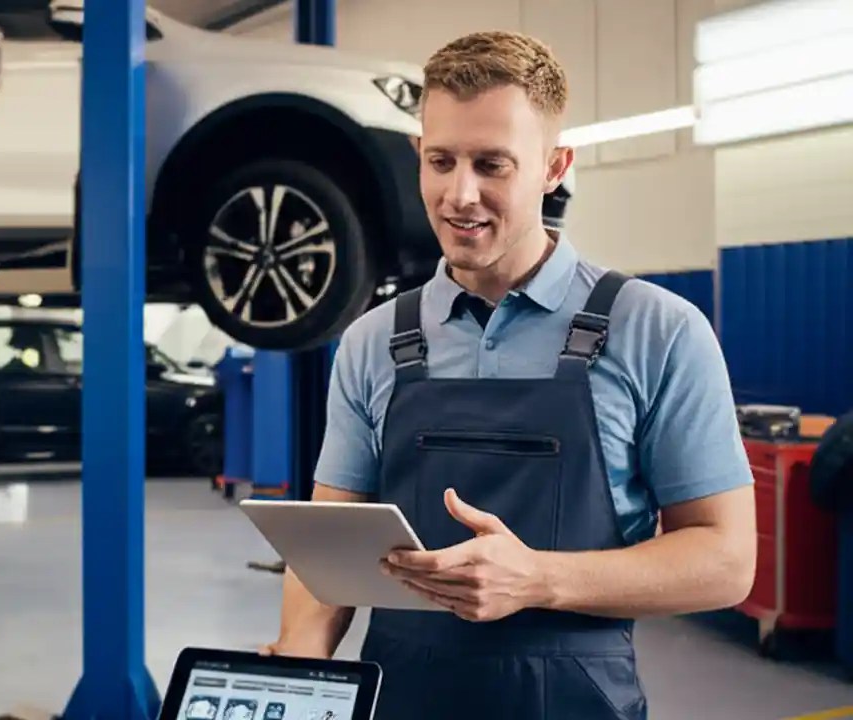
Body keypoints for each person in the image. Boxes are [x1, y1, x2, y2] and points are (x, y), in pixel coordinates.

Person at [263, 31, 757, 719]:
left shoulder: (659, 330)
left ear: (555, 166)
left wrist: (541, 579)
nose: (460, 195)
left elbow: (726, 562)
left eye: (493, 165)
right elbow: (329, 552)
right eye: (441, 161)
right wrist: (293, 672)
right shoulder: (373, 343)